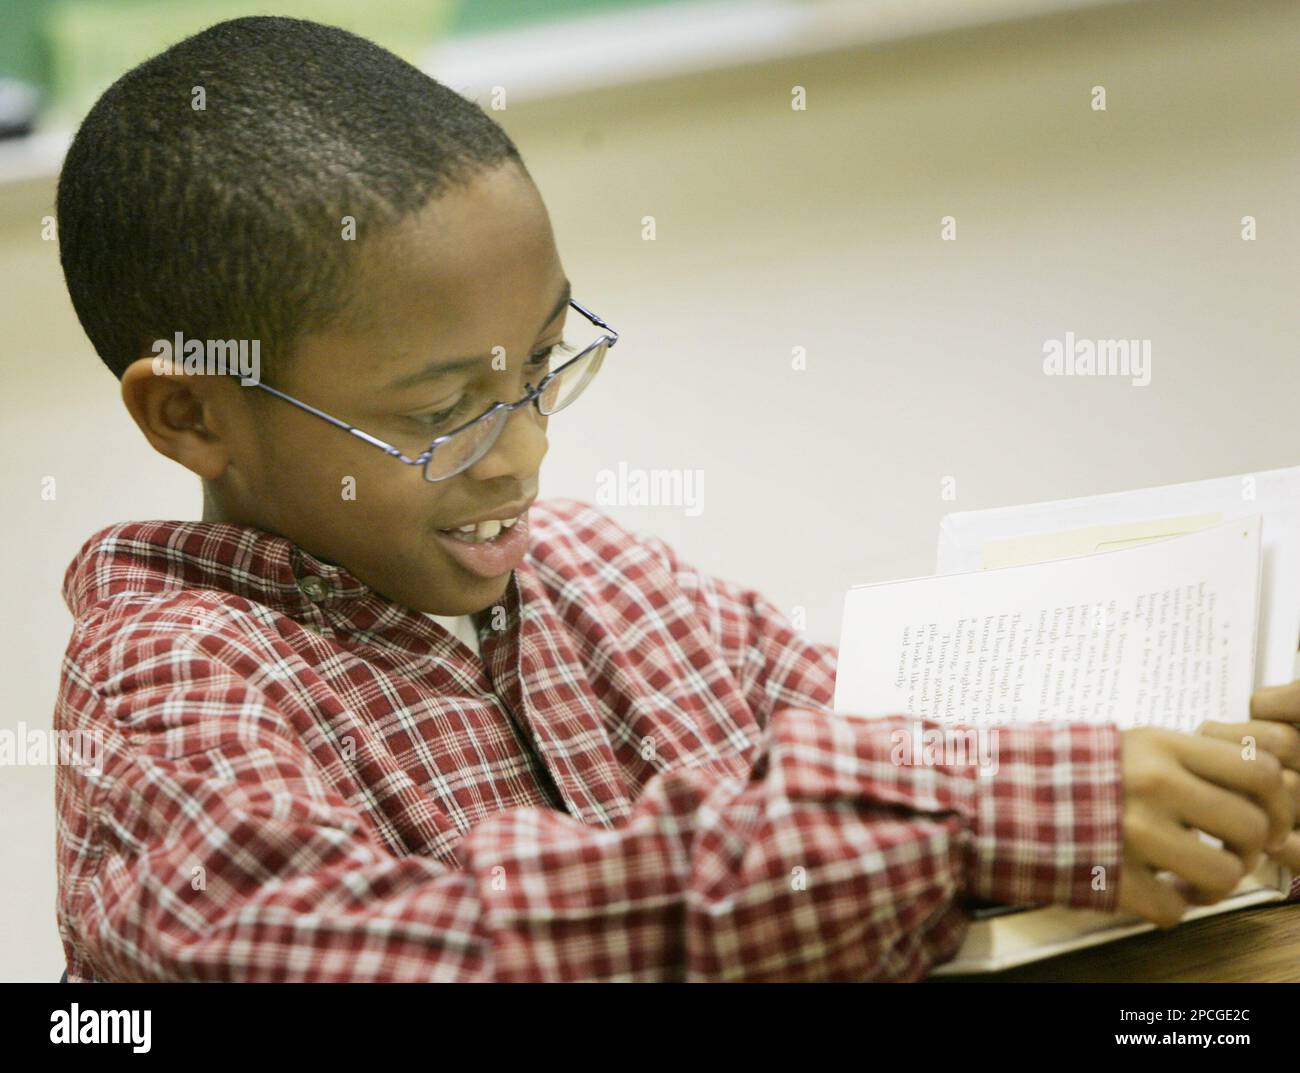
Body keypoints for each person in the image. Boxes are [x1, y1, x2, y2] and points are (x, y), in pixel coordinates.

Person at [51, 16, 1299, 982]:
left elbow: (878, 743)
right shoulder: (169, 677)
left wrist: (1205, 768)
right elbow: (373, 949)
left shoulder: (603, 577)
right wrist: (949, 833)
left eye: (541, 365)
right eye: (438, 410)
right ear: (194, 412)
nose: (522, 454)